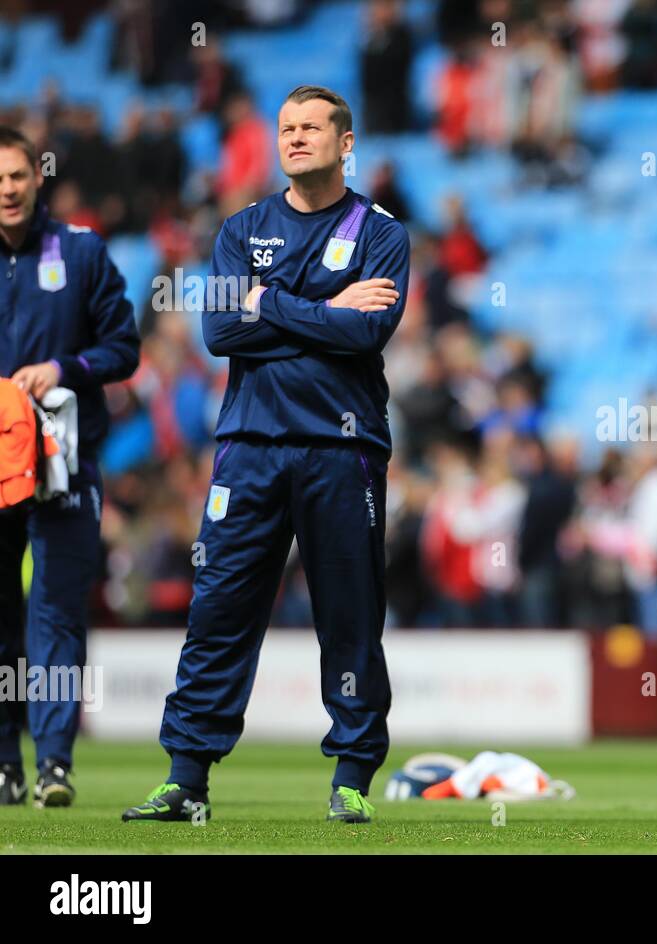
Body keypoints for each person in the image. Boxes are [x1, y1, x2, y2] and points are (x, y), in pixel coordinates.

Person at [122, 86, 410, 825]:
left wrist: (266, 304)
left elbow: (364, 335)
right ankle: (186, 780)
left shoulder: (381, 232)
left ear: (347, 144)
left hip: (342, 446)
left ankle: (350, 777)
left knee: (349, 616)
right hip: (249, 445)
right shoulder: (240, 227)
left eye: (313, 127)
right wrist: (323, 310)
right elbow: (220, 331)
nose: (296, 137)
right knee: (219, 608)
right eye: (286, 127)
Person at [0, 127, 140, 808]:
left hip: (64, 468)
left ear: (38, 178)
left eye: (17, 175)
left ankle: (53, 762)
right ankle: (4, 765)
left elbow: (124, 347)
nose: (6, 188)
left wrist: (62, 368)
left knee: (53, 614)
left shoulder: (79, 252)